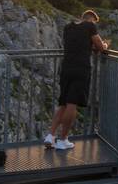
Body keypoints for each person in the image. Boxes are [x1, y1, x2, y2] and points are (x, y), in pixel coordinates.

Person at [44, 9, 110, 150]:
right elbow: (100, 47)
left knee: (63, 103)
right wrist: (104, 45)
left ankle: (50, 136)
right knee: (72, 104)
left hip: (66, 68)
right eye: (94, 21)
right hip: (80, 69)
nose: (93, 23)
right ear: (91, 18)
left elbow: (78, 43)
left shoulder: (69, 27)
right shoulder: (89, 26)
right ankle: (63, 140)